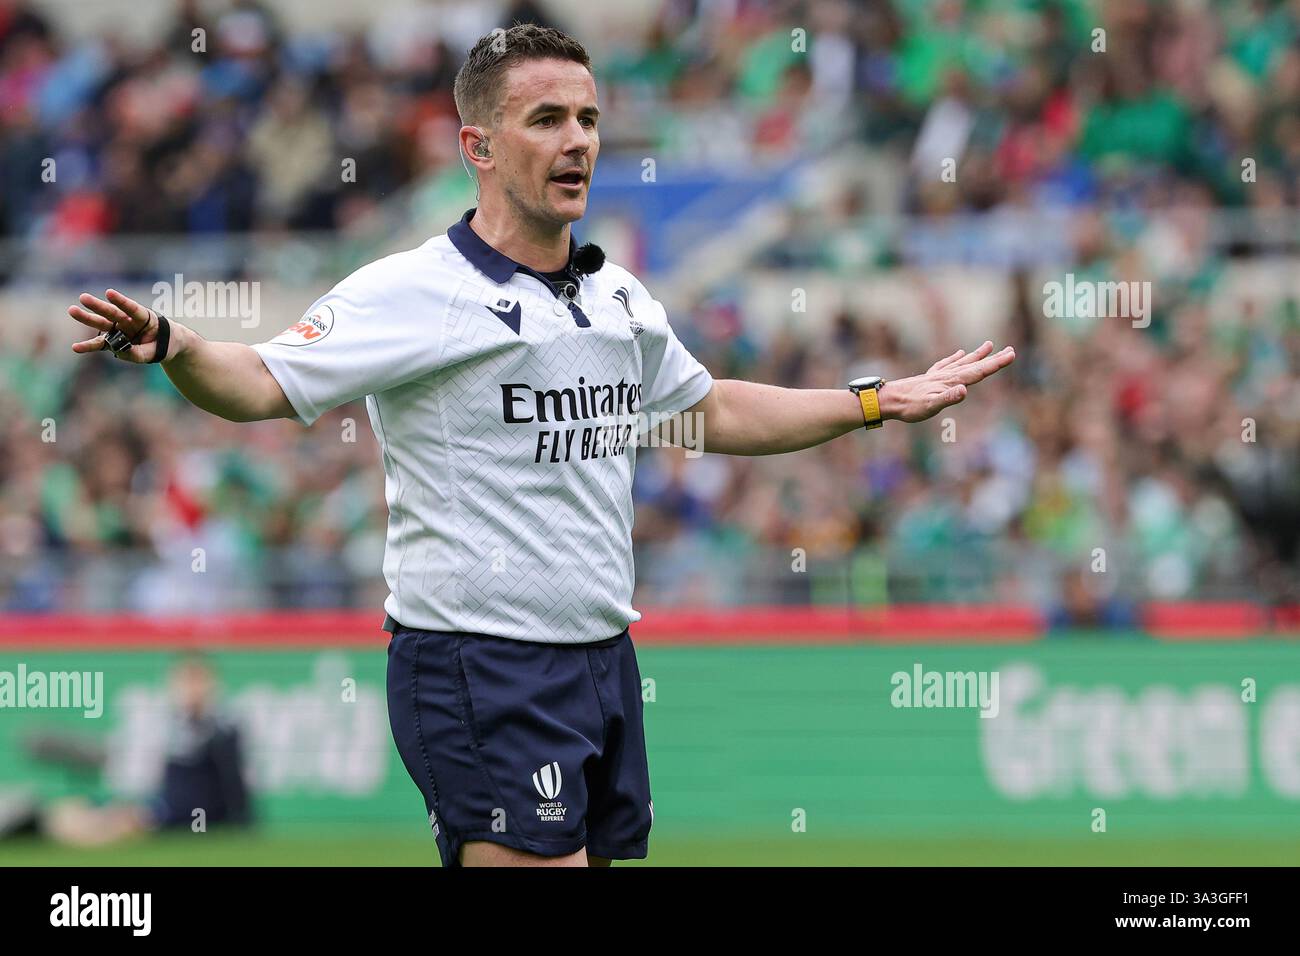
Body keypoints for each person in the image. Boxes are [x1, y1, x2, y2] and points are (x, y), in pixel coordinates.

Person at [64, 23, 1015, 867]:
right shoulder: (411, 292)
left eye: (590, 119)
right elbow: (265, 382)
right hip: (479, 663)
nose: (578, 141)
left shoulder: (619, 297)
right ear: (478, 146)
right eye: (548, 119)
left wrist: (874, 401)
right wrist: (177, 346)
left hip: (602, 657)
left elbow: (711, 411)